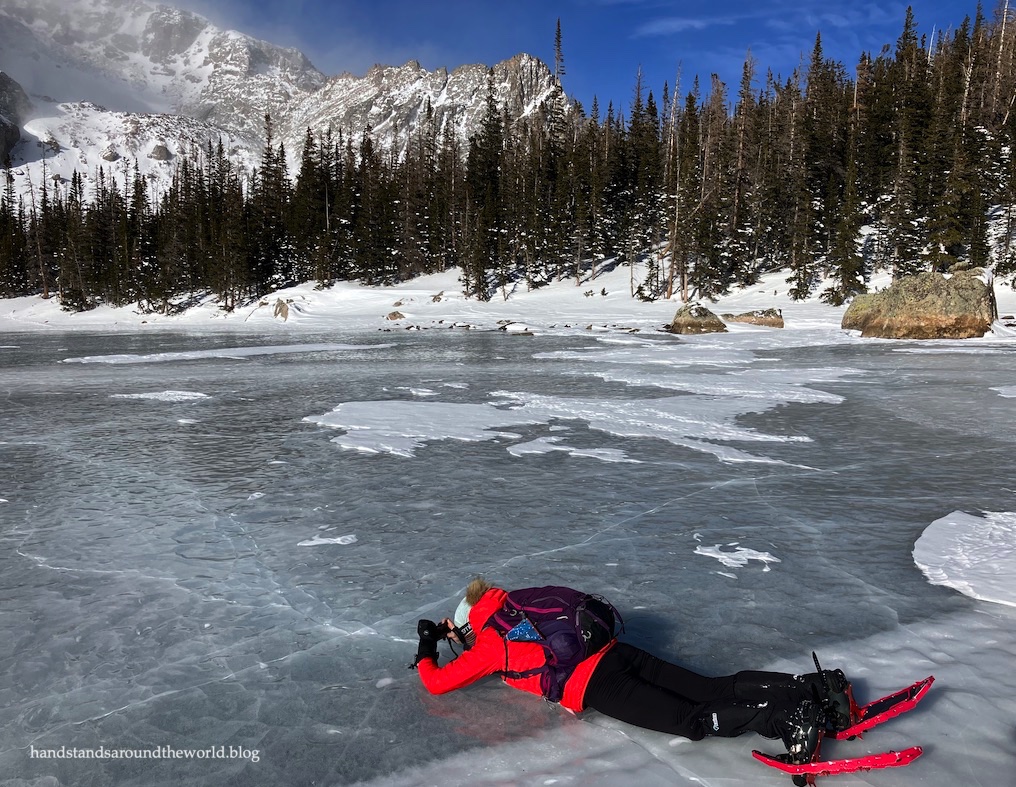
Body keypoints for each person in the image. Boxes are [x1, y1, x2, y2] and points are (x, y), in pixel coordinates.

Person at [413, 578, 854, 764]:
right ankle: (816, 689)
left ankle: (788, 722)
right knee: (710, 687)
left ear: (470, 625)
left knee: (690, 720)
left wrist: (429, 644)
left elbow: (436, 684)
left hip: (597, 684)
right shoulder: (518, 601)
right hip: (618, 652)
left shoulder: (489, 643)